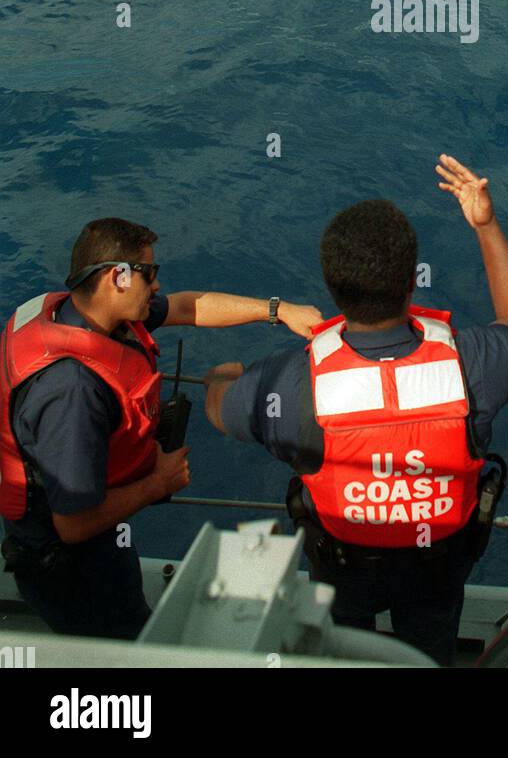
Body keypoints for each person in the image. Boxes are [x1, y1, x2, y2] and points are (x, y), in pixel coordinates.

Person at [204, 154, 508, 666]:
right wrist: (486, 225)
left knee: (340, 649)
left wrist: (223, 375)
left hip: (344, 571)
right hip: (438, 570)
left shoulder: (292, 384)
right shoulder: (471, 367)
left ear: (333, 288)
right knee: (430, 650)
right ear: (412, 283)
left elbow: (219, 410)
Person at [0, 217, 321, 640]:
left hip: (98, 527)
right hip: (68, 563)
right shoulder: (71, 392)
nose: (155, 286)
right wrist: (158, 482)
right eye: (149, 274)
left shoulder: (83, 312)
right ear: (117, 276)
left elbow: (189, 307)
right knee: (122, 644)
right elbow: (73, 525)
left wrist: (278, 311)